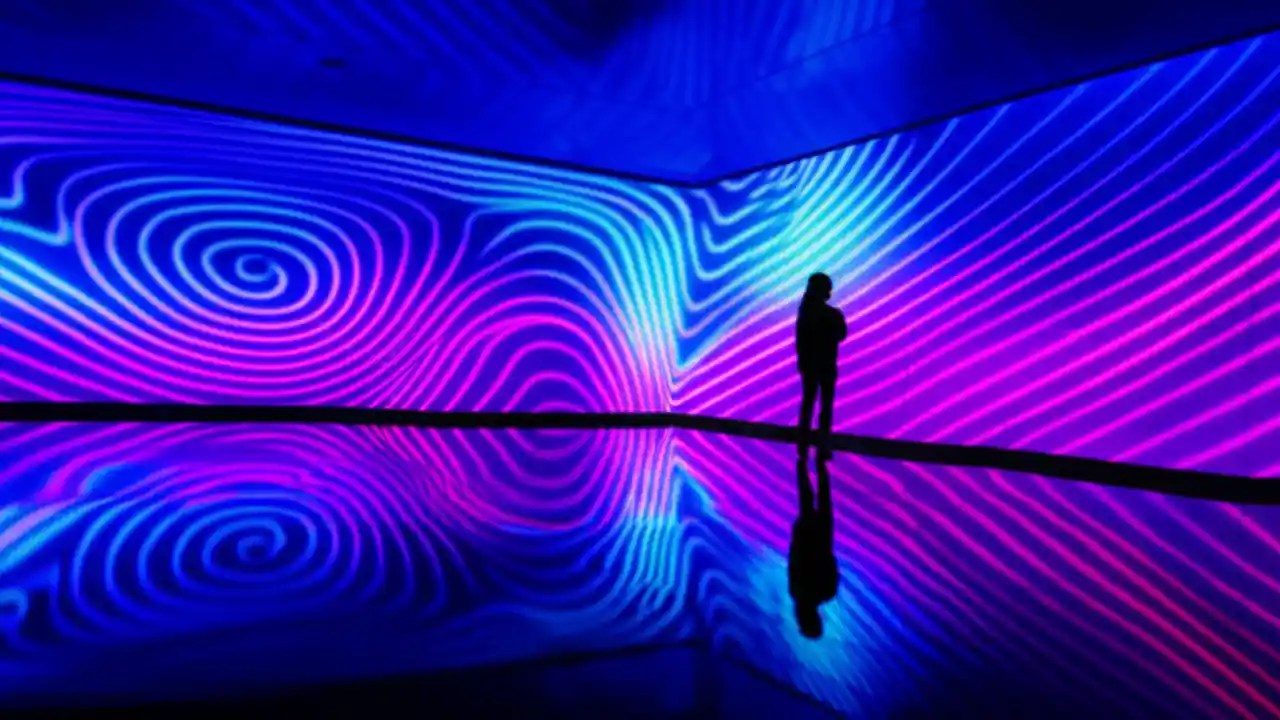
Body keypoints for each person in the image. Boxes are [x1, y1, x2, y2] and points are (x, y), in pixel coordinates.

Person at [796, 272, 847, 461]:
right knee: (825, 407)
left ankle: (803, 446)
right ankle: (822, 447)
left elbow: (801, 342)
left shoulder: (805, 313)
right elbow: (842, 334)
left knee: (808, 404)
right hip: (825, 365)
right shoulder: (831, 314)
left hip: (810, 366)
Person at [789, 459, 838, 639]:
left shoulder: (827, 592)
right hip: (805, 538)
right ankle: (802, 461)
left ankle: (819, 462)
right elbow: (792, 562)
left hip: (822, 539)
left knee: (823, 498)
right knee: (807, 498)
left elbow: (833, 565)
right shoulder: (795, 592)